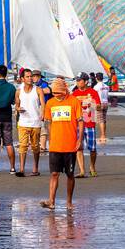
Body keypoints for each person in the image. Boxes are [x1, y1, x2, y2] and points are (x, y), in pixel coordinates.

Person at [41, 78, 83, 211]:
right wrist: (47, 137)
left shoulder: (74, 101)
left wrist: (79, 139)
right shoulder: (50, 103)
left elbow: (80, 122)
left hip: (70, 145)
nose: (56, 95)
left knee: (70, 174)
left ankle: (69, 202)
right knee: (54, 173)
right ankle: (51, 201)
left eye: (58, 93)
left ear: (64, 90)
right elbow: (47, 121)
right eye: (54, 93)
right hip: (55, 145)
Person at [71, 74, 102, 176]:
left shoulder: (93, 92)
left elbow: (99, 106)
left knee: (92, 148)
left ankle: (92, 167)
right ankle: (82, 171)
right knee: (79, 148)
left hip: (90, 123)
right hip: (77, 125)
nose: (78, 82)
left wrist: (93, 105)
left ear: (86, 81)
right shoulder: (74, 94)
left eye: (80, 80)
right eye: (77, 80)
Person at [15, 68, 44, 176]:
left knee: (35, 146)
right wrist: (18, 109)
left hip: (36, 122)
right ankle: (21, 169)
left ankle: (35, 169)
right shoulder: (18, 91)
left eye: (31, 76)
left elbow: (43, 104)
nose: (30, 78)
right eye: (27, 76)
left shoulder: (38, 90)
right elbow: (17, 105)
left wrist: (43, 114)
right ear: (22, 78)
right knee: (23, 145)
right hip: (23, 122)